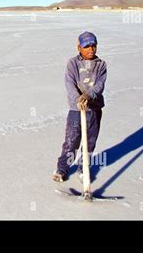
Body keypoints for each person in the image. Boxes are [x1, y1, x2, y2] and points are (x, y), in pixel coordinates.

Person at [53, 31, 107, 182]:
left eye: (93, 46)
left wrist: (88, 96)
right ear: (79, 48)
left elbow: (99, 85)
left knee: (90, 141)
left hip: (94, 109)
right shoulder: (73, 63)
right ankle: (62, 168)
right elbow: (69, 83)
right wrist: (78, 98)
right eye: (87, 46)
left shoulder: (101, 65)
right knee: (72, 140)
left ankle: (84, 169)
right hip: (76, 109)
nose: (91, 49)